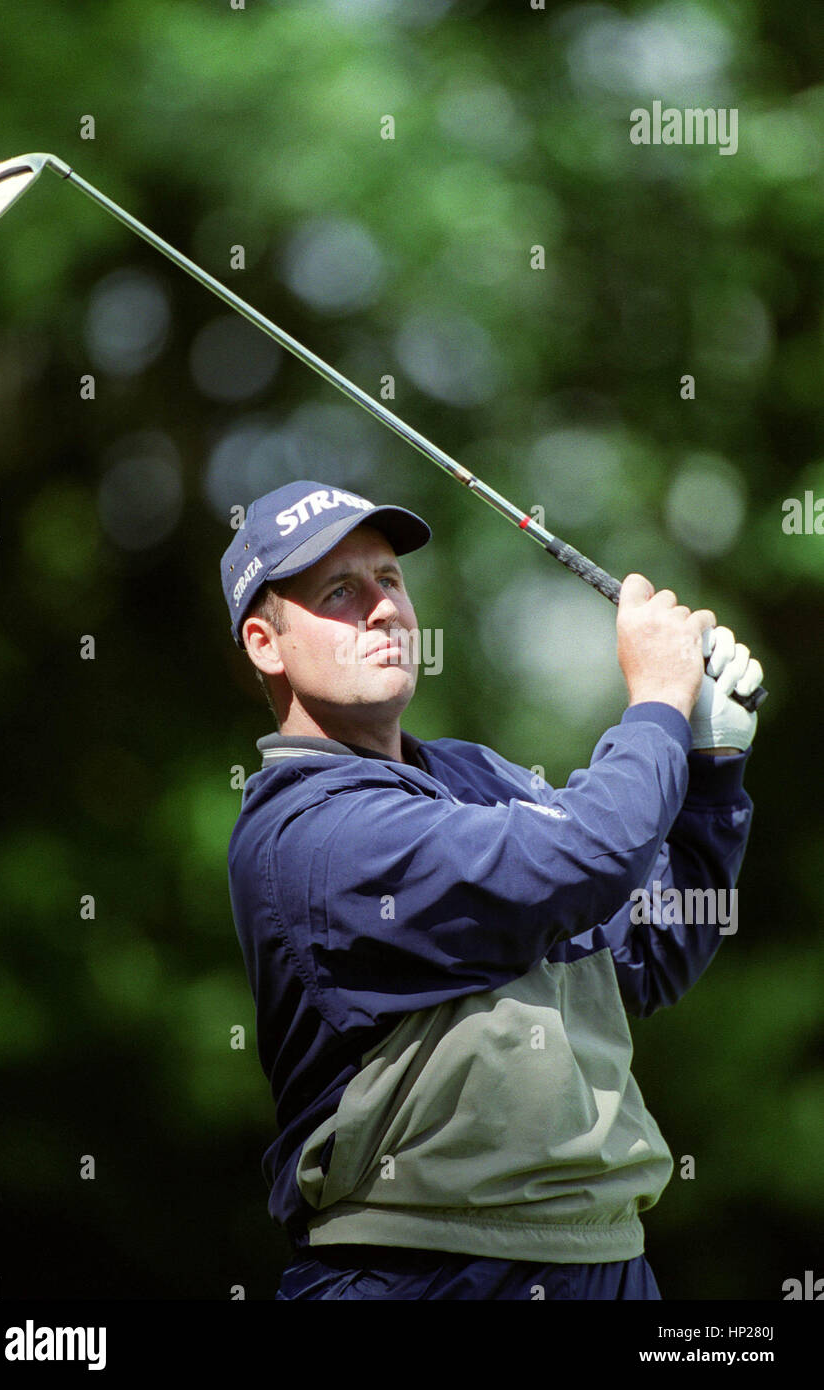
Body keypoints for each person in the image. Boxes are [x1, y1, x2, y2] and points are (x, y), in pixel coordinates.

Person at [220, 478, 762, 1301]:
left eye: (389, 580)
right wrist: (656, 701)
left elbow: (647, 953)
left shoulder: (477, 775)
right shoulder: (310, 832)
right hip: (418, 1274)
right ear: (265, 642)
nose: (383, 609)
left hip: (605, 1258)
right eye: (340, 591)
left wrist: (711, 769)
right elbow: (589, 854)